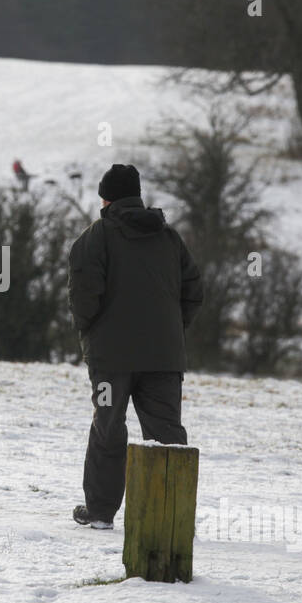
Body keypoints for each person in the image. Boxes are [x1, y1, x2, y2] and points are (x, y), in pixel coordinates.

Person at [67, 164, 203, 528]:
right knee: (166, 436)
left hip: (112, 360)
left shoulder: (96, 237)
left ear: (106, 199)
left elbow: (84, 296)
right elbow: (194, 290)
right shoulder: (169, 238)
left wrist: (92, 332)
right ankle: (169, 516)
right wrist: (172, 330)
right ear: (137, 197)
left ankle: (99, 513)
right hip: (163, 359)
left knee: (109, 428)